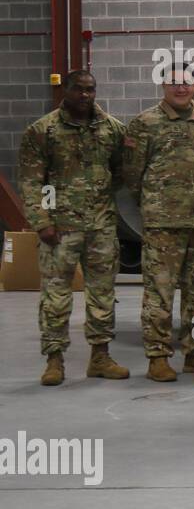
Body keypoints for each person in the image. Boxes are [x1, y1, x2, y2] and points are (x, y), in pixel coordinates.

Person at [19, 69, 128, 386]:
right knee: (55, 296)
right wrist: (43, 222)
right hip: (60, 228)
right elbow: (32, 182)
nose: (86, 95)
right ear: (64, 91)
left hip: (102, 227)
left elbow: (122, 170)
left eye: (91, 90)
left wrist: (102, 197)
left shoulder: (111, 129)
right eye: (79, 89)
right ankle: (54, 360)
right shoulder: (43, 131)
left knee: (103, 293)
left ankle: (100, 356)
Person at [124, 65, 194, 381]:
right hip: (163, 226)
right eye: (174, 82)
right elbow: (133, 176)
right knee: (158, 295)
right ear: (164, 85)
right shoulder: (145, 124)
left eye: (187, 82)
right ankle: (158, 356)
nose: (181, 88)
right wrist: (155, 205)